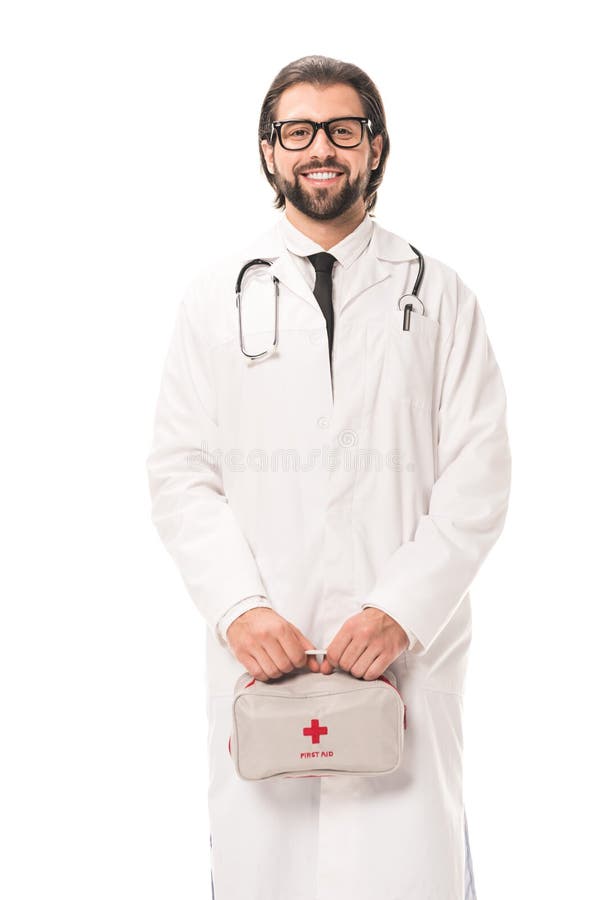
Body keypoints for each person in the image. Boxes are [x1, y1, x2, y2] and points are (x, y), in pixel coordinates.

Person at [146, 54, 511, 900]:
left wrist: (400, 610)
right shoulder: (214, 299)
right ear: (269, 151)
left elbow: (479, 473)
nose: (322, 149)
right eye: (298, 131)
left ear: (374, 148)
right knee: (263, 871)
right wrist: (238, 607)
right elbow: (179, 470)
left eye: (343, 130)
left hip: (402, 657)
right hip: (263, 653)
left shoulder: (439, 297)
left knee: (405, 867)